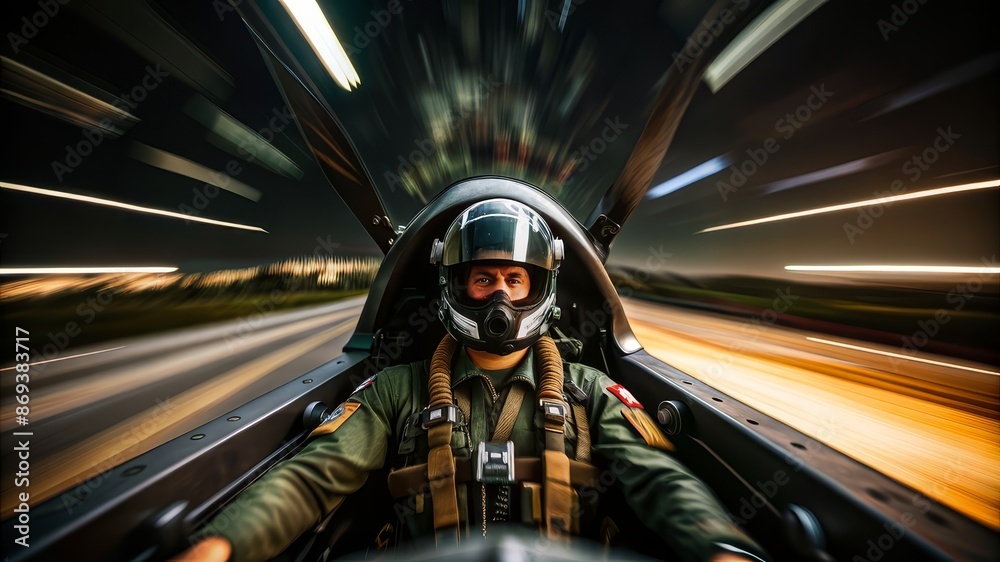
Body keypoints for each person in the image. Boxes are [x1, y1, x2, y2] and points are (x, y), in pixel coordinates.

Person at [176, 199, 768, 562]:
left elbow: (658, 479)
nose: (502, 296)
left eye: (516, 278)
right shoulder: (396, 391)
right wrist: (222, 545)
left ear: (540, 288)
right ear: (456, 286)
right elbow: (311, 479)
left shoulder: (588, 391)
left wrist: (719, 548)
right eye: (484, 279)